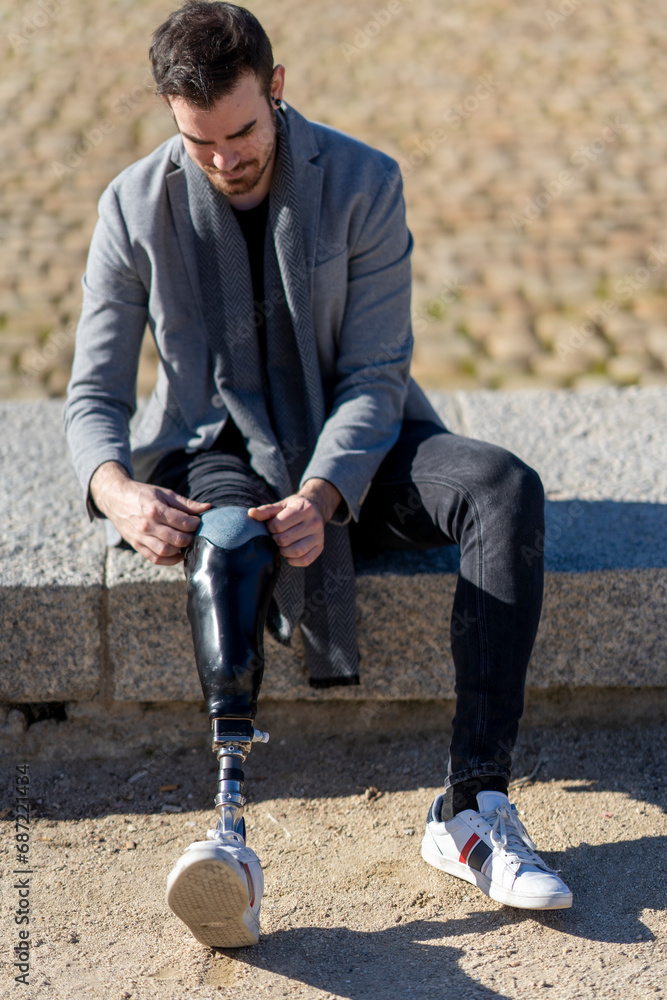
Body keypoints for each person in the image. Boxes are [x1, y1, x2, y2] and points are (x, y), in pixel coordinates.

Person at [64, 0, 572, 949]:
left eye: (242, 131)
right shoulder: (133, 205)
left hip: (356, 450)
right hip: (217, 449)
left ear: (278, 88)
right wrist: (116, 489)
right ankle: (227, 834)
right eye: (198, 140)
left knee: (504, 487)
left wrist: (323, 493)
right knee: (221, 544)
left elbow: (377, 377)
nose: (223, 159)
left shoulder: (365, 180)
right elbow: (92, 394)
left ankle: (470, 810)